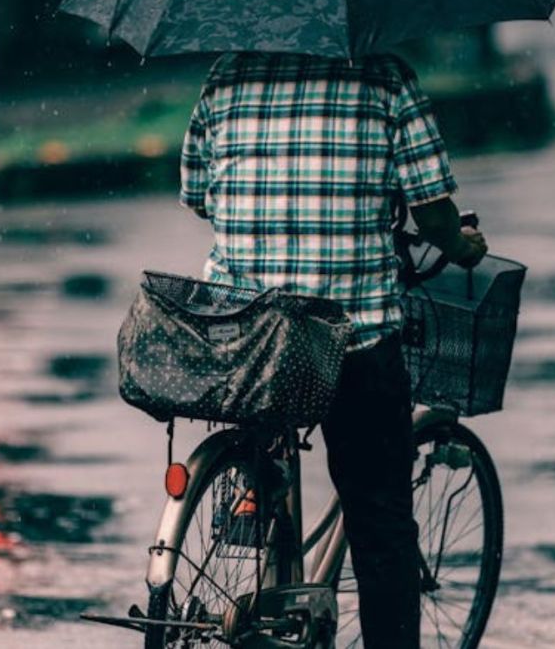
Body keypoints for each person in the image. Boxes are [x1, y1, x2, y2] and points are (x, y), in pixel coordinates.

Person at [180, 50, 486, 647]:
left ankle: (251, 502)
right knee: (381, 523)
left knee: (264, 444)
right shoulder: (384, 79)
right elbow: (431, 212)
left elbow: (198, 196)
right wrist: (462, 245)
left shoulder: (227, 76)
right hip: (352, 339)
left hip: (247, 336)